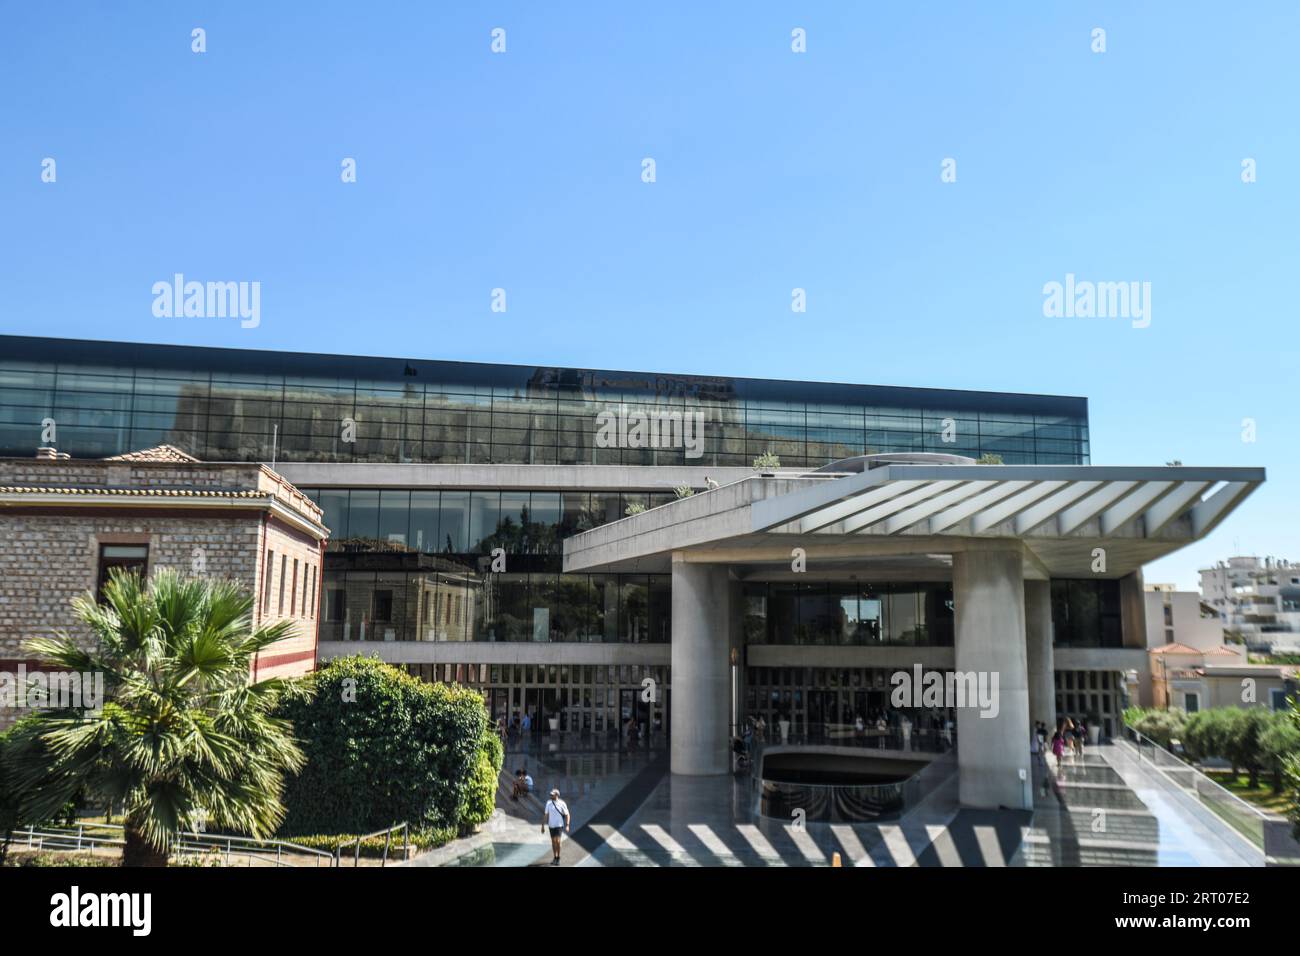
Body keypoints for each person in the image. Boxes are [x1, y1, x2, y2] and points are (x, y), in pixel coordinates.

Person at [541, 788, 570, 865]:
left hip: (559, 825)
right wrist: (543, 825)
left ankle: (558, 857)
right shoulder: (548, 803)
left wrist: (567, 825)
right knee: (553, 841)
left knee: (558, 841)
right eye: (551, 794)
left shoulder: (562, 803)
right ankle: (555, 857)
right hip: (551, 825)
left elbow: (567, 814)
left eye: (552, 794)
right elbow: (546, 814)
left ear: (557, 795)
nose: (551, 795)